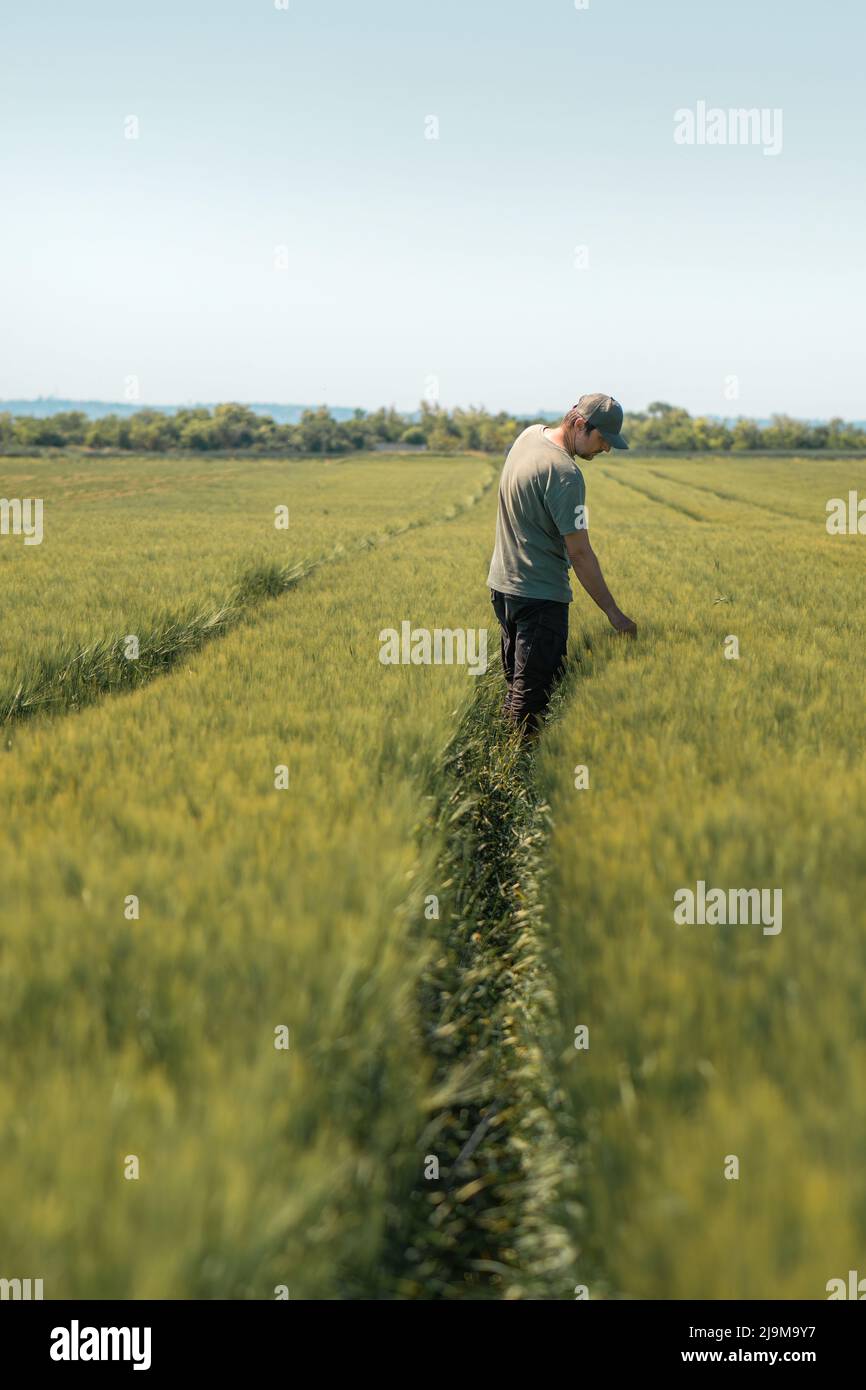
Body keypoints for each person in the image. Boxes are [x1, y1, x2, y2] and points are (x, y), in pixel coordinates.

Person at [486, 393, 637, 737]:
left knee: (517, 683)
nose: (606, 450)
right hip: (540, 597)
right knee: (533, 698)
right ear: (580, 424)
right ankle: (519, 767)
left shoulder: (528, 436)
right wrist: (615, 614)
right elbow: (580, 553)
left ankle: (504, 762)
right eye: (603, 440)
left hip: (503, 588)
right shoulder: (566, 474)